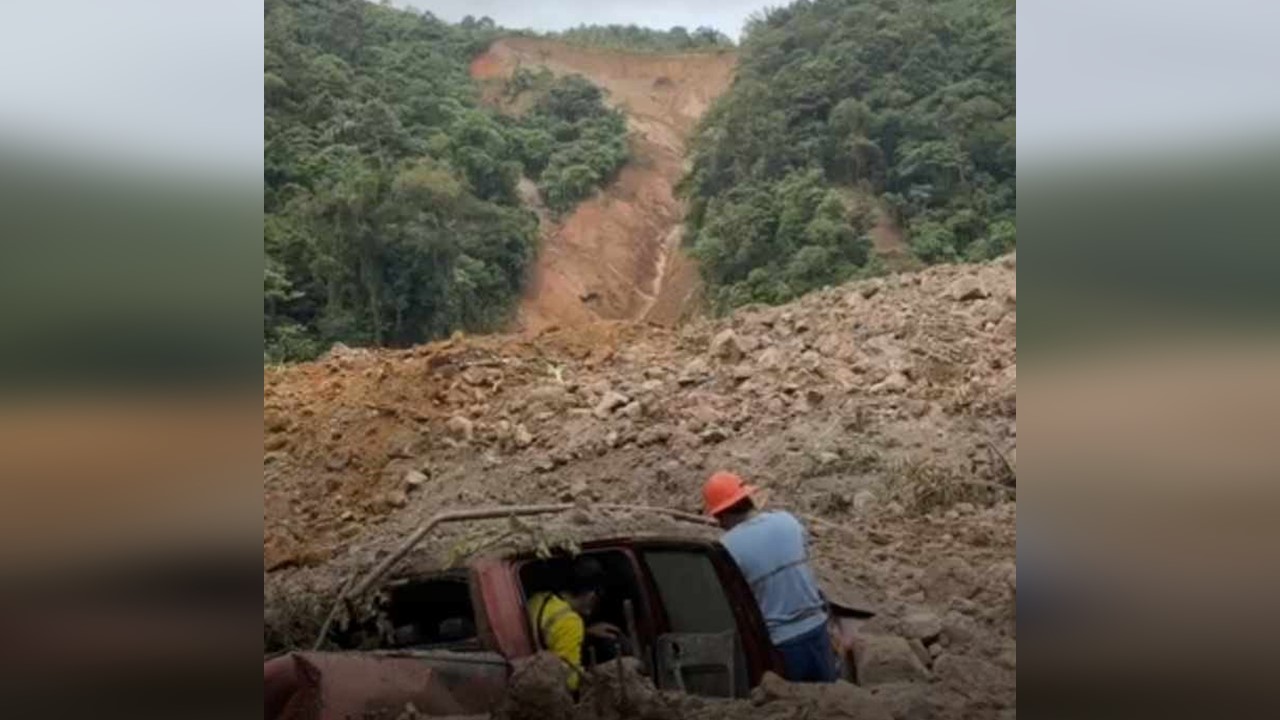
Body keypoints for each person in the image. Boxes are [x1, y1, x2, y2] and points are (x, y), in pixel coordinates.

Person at [702, 470, 839, 683]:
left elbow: (732, 602)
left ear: (722, 514)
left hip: (782, 642)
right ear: (747, 498)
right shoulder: (788, 521)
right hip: (818, 628)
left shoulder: (728, 547)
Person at [526, 555, 623, 691]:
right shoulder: (570, 621)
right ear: (592, 595)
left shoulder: (539, 600)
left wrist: (586, 631)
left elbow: (552, 631)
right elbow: (570, 680)